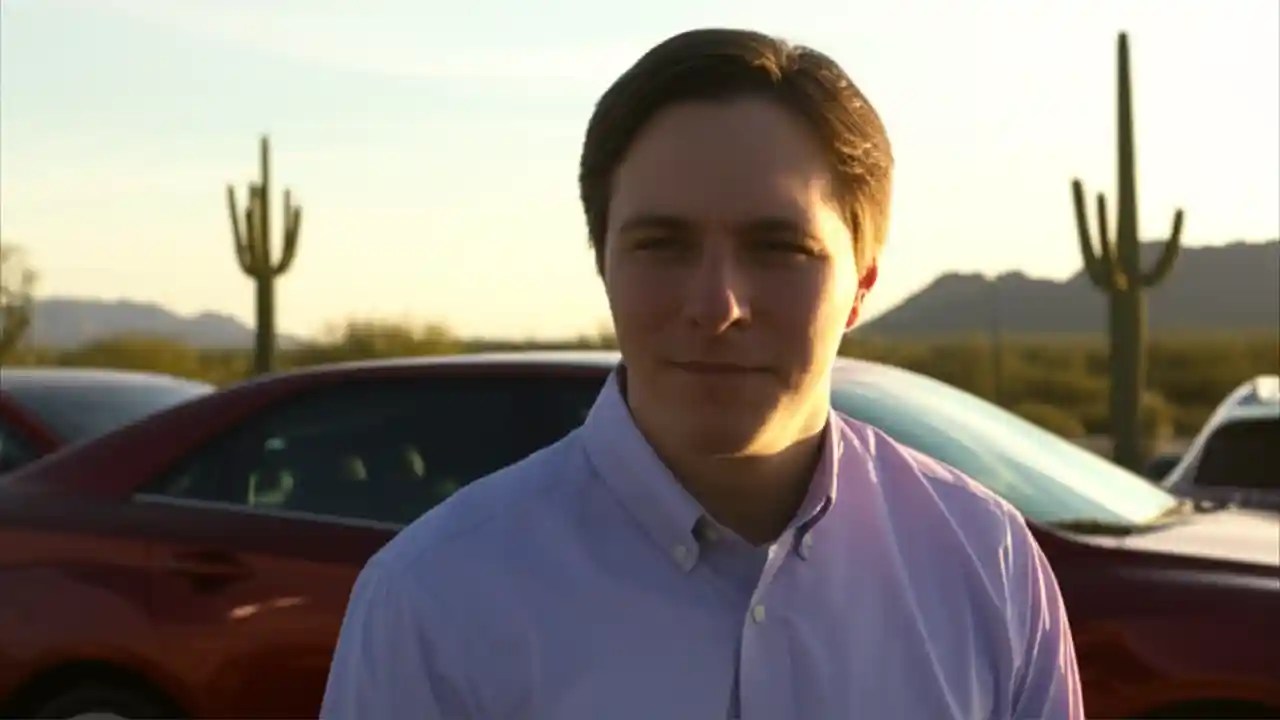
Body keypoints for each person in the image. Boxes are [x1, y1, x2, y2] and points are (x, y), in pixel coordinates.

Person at [320, 27, 1084, 719]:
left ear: (862, 285)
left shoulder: (988, 568)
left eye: (777, 248)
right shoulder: (434, 598)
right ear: (604, 264)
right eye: (663, 244)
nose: (717, 305)